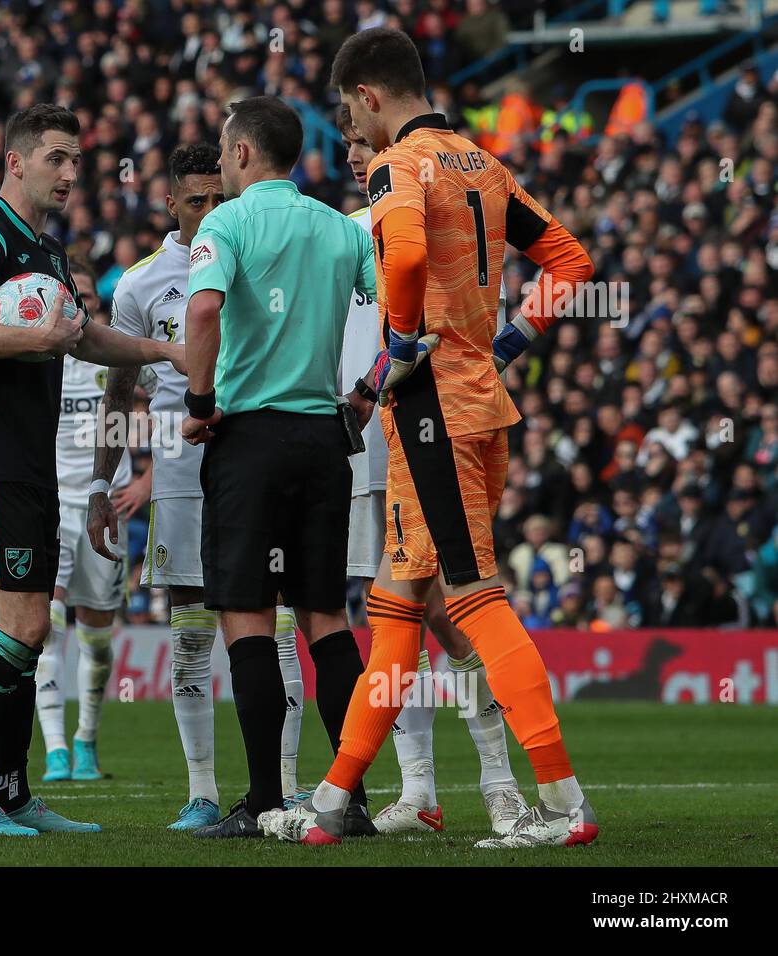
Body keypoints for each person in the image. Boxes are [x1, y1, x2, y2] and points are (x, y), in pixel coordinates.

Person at [263, 28, 597, 849]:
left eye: (349, 110)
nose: (354, 126)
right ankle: (338, 798)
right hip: (478, 401)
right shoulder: (482, 163)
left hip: (432, 410)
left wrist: (403, 342)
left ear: (369, 97)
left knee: (476, 599)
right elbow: (570, 259)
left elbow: (404, 252)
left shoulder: (395, 167)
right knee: (396, 606)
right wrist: (511, 341)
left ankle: (564, 804)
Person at [0, 104, 185, 837]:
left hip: (31, 462)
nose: (72, 172)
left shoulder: (46, 252)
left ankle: (12, 794)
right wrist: (36, 334)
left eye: (77, 159)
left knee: (33, 630)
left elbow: (86, 339)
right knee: (24, 624)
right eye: (56, 158)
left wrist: (166, 354)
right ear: (16, 162)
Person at [88, 143, 315, 830]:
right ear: (171, 206)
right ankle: (202, 791)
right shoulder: (139, 284)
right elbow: (120, 390)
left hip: (258, 461)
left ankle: (287, 785)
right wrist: (104, 483)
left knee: (275, 626)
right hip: (182, 473)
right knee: (190, 631)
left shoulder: (263, 255)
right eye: (198, 202)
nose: (213, 212)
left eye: (222, 199)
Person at [177, 96, 375, 839]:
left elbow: (202, 314)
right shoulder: (335, 224)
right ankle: (348, 798)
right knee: (326, 616)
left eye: (226, 151)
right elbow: (401, 319)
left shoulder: (224, 224)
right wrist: (365, 391)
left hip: (249, 438)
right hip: (324, 438)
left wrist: (199, 403)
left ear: (242, 154)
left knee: (248, 614)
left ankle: (263, 800)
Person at [335, 104, 528, 836]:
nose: (356, 156)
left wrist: (507, 346)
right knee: (393, 620)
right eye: (347, 146)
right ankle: (417, 792)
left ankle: (501, 783)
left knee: (453, 612)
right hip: (370, 447)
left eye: (362, 141)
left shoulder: (430, 214)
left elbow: (471, 319)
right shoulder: (344, 232)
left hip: (433, 431)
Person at [34, 256, 142, 783]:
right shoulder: (40, 358)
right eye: (68, 295)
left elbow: (160, 415)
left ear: (94, 305)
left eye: (85, 298)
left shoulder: (111, 359)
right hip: (53, 509)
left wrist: (146, 481)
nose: (78, 304)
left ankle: (86, 740)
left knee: (97, 638)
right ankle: (55, 747)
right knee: (48, 628)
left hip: (106, 507)